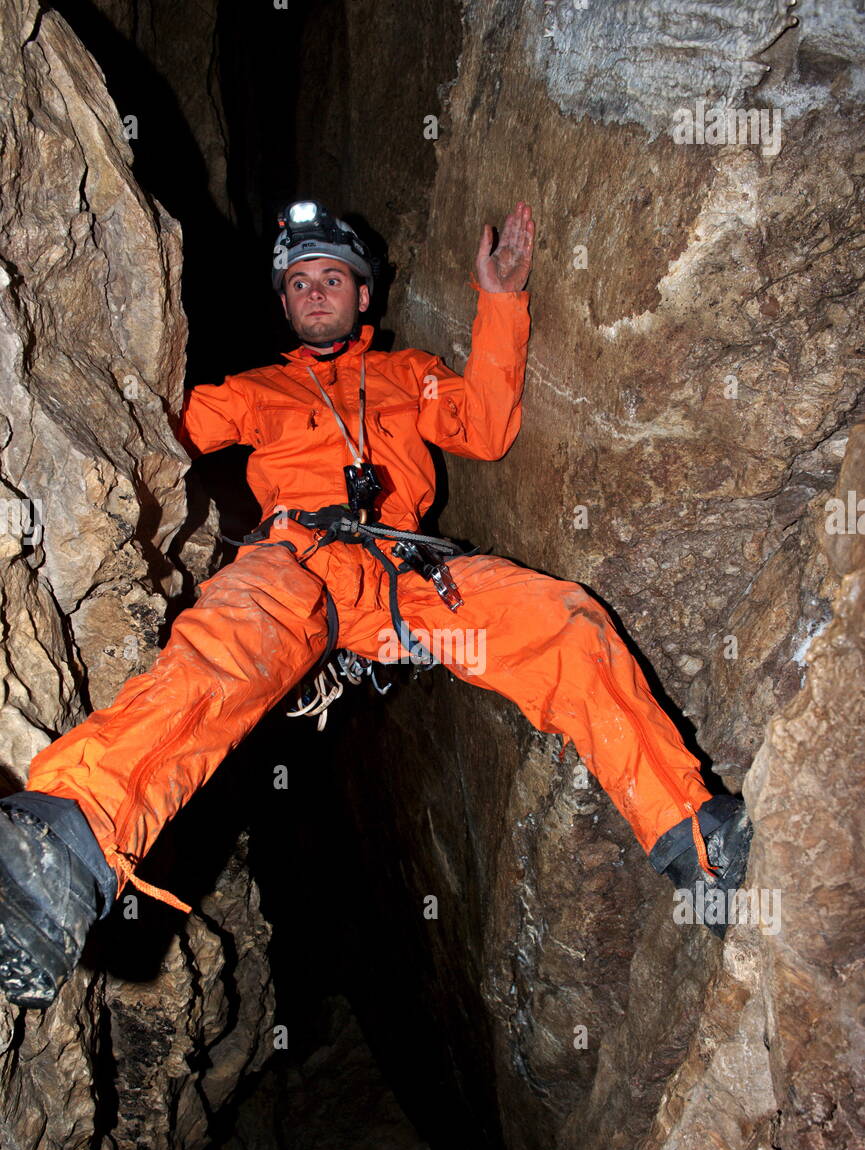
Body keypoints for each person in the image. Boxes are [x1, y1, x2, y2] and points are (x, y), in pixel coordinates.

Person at [0, 200, 752, 1009]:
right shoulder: (256, 391)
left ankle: (698, 846)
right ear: (283, 304)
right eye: (298, 282)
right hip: (296, 564)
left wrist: (499, 299)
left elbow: (486, 428)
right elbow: (156, 432)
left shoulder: (406, 375)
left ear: (364, 297)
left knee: (562, 624)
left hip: (408, 577)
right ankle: (67, 846)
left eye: (332, 278)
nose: (315, 291)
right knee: (222, 657)